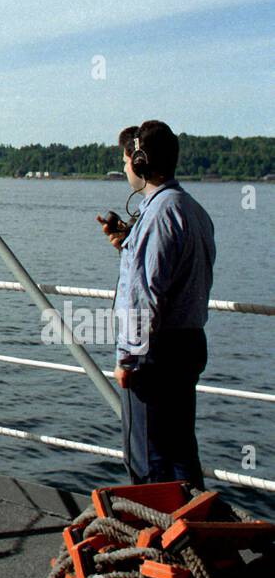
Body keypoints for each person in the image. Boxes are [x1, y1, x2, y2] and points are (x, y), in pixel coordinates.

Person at [96, 121, 215, 487]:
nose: (126, 167)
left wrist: (127, 359)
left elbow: (144, 297)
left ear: (141, 162)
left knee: (150, 462)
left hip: (155, 353)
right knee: (181, 456)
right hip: (188, 343)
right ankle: (193, 535)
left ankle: (160, 538)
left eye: (127, 159)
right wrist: (129, 242)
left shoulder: (159, 215)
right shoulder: (191, 210)